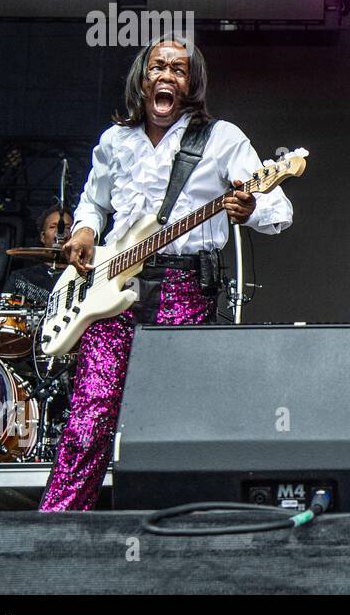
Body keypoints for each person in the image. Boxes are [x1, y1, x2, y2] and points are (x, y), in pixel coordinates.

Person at [39, 36, 293, 511]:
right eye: (159, 67)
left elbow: (279, 211)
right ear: (143, 77)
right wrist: (84, 230)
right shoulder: (115, 141)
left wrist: (250, 204)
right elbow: (94, 202)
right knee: (89, 415)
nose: (167, 76)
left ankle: (176, 528)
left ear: (191, 84)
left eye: (179, 70)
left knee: (178, 420)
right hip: (110, 288)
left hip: (184, 288)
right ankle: (58, 526)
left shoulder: (221, 138)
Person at [9, 203, 73, 307]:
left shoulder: (86, 274)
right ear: (43, 236)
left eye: (68, 228)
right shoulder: (20, 278)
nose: (61, 232)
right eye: (53, 227)